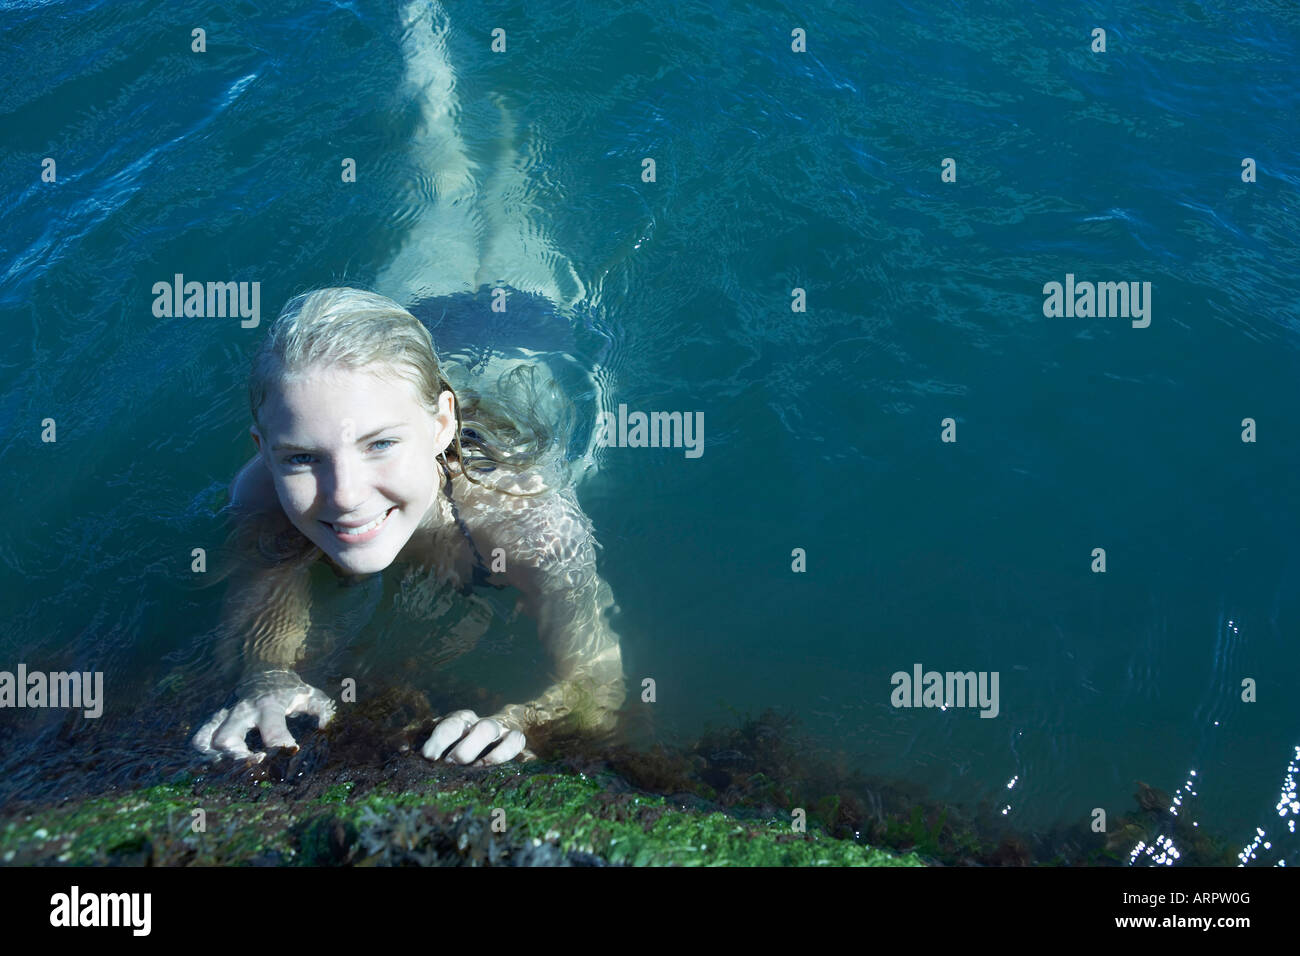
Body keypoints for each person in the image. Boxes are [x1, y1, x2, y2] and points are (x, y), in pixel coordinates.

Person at [191, 287, 625, 766]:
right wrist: (267, 679)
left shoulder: (527, 520)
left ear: (442, 426)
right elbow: (268, 615)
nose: (345, 496)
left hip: (522, 326)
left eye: (380, 444)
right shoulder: (259, 494)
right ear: (264, 449)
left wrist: (521, 725)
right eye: (302, 456)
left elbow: (596, 682)